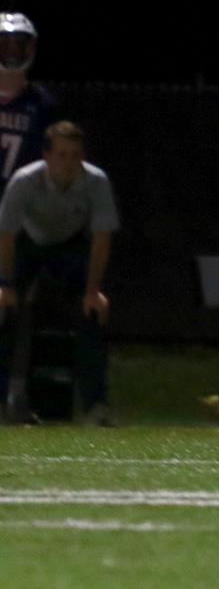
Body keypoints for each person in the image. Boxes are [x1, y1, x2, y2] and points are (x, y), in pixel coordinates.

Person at [0, 122, 117, 424]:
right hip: (28, 243)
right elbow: (6, 236)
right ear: (47, 156)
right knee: (5, 310)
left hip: (70, 246)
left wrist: (93, 292)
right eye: (61, 155)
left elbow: (101, 238)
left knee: (93, 312)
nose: (68, 162)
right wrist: (6, 285)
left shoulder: (96, 181)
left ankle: (96, 406)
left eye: (75, 155)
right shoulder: (24, 180)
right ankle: (8, 401)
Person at [0, 12, 59, 185]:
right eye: (5, 45)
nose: (12, 52)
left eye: (19, 45)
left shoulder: (43, 105)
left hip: (22, 205)